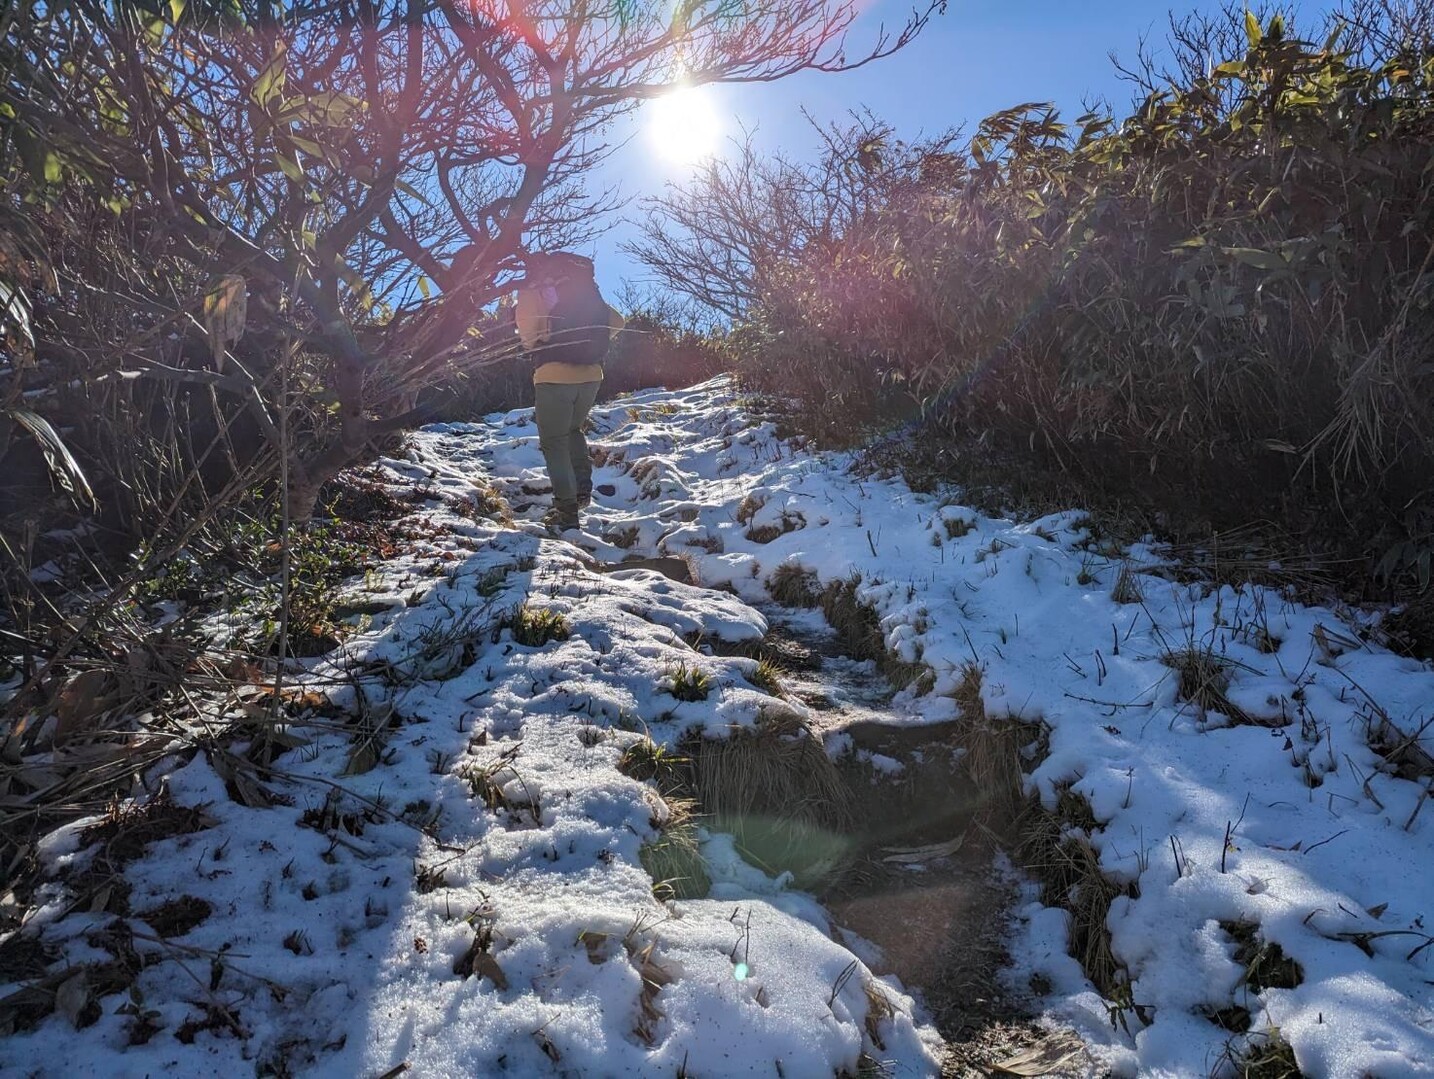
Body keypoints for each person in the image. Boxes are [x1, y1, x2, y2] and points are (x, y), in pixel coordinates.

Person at [514, 252, 625, 533]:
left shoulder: (532, 291)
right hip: (591, 374)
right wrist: (587, 345)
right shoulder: (586, 291)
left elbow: (528, 335)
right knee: (574, 429)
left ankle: (566, 512)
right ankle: (582, 487)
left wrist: (545, 344)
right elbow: (617, 321)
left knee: (553, 442)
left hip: (553, 375)